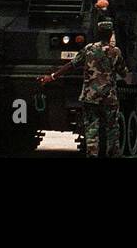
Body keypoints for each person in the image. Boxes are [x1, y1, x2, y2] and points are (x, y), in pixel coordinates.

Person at [38, 19, 128, 157]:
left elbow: (71, 65)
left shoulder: (88, 49)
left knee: (91, 130)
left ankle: (92, 154)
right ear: (110, 34)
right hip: (109, 98)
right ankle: (113, 154)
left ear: (98, 33)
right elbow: (124, 73)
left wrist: (52, 76)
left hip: (90, 97)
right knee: (112, 130)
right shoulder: (115, 52)